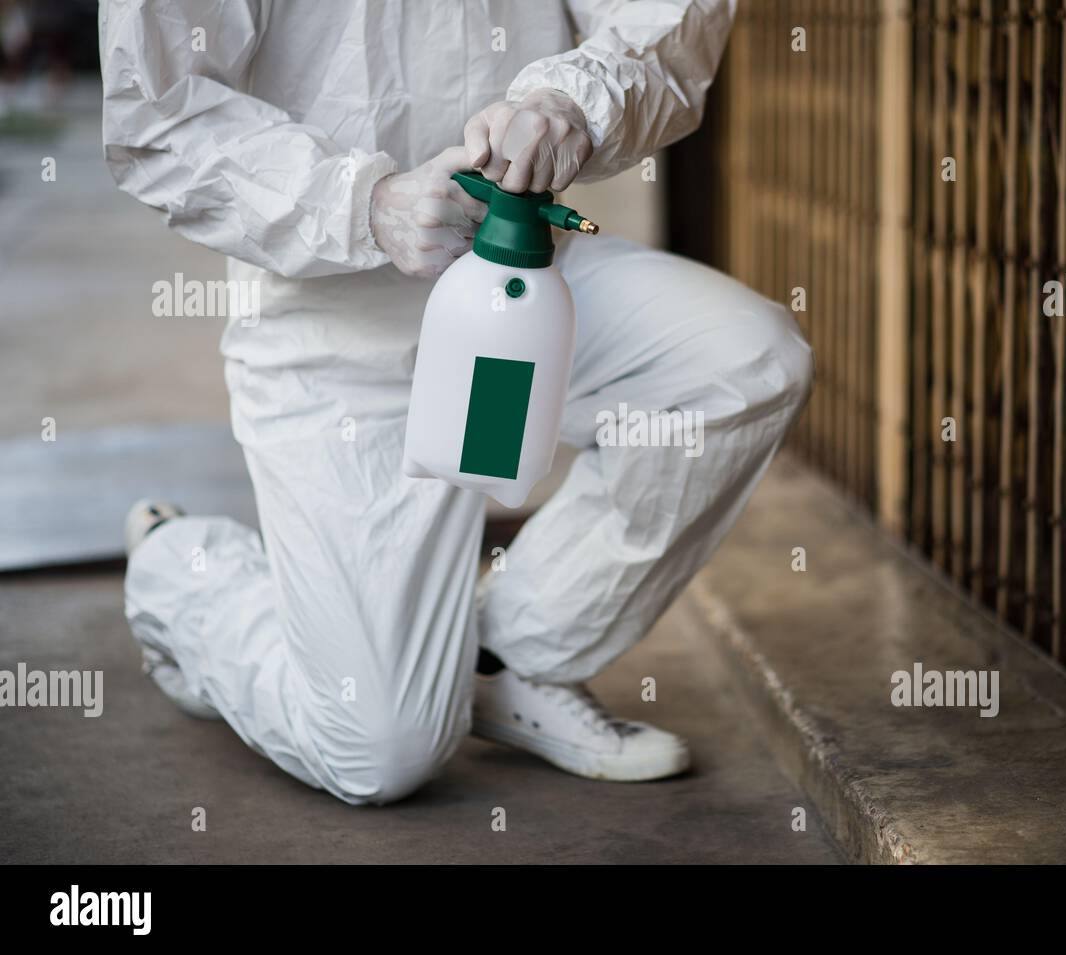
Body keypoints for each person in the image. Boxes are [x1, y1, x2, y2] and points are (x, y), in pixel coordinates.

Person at [102, 0, 812, 805]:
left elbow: (668, 17)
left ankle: (507, 659)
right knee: (380, 748)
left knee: (740, 362)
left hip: (524, 281)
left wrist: (573, 100)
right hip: (331, 328)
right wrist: (364, 204)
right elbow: (157, 117)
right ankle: (179, 572)